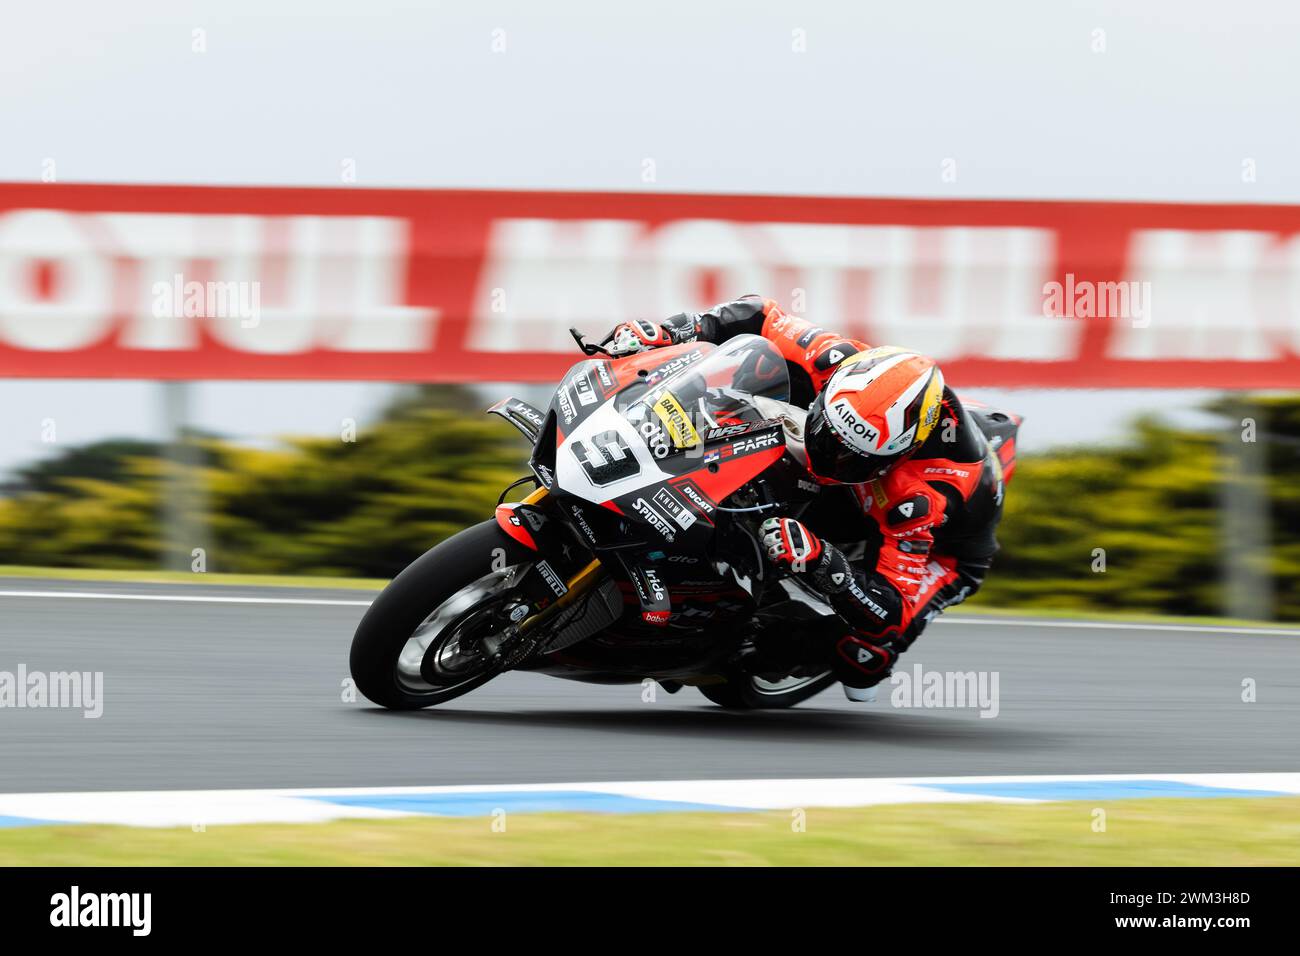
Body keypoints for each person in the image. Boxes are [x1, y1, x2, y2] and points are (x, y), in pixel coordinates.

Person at [606, 296, 1016, 700]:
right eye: (827, 431)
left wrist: (824, 562)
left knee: (867, 653)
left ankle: (772, 648)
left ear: (900, 453)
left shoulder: (921, 497)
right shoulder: (835, 358)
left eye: (851, 458)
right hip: (855, 489)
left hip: (946, 553)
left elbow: (890, 609)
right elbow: (758, 314)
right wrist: (672, 330)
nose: (830, 457)